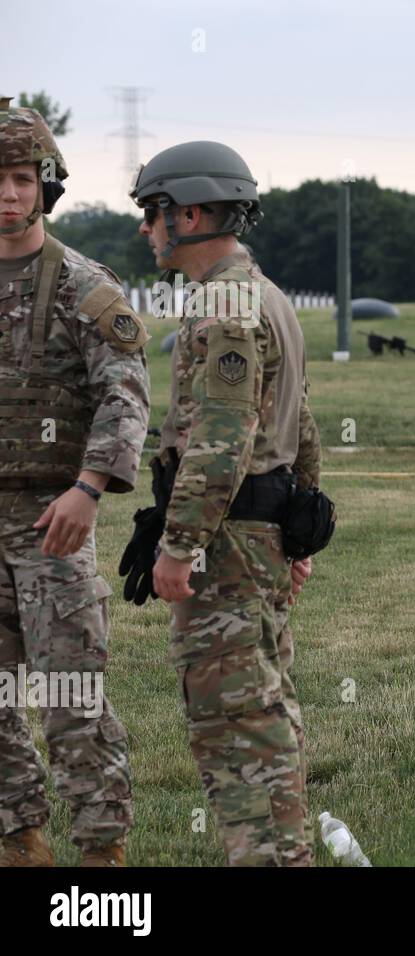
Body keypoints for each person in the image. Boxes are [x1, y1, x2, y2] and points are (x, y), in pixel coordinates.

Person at [131, 140, 320, 866]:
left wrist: (180, 545)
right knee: (267, 710)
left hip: (229, 544)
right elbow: (300, 420)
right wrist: (298, 532)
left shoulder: (224, 305)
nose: (147, 229)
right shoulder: (264, 293)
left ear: (194, 213)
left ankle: (268, 857)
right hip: (258, 534)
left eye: (154, 213)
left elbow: (221, 433)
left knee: (236, 723)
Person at [0, 97, 149, 867]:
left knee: (70, 700)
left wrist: (89, 488)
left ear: (45, 183)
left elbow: (125, 391)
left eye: (21, 178)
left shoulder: (82, 285)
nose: (7, 194)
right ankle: (19, 840)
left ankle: (100, 855)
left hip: (51, 519)